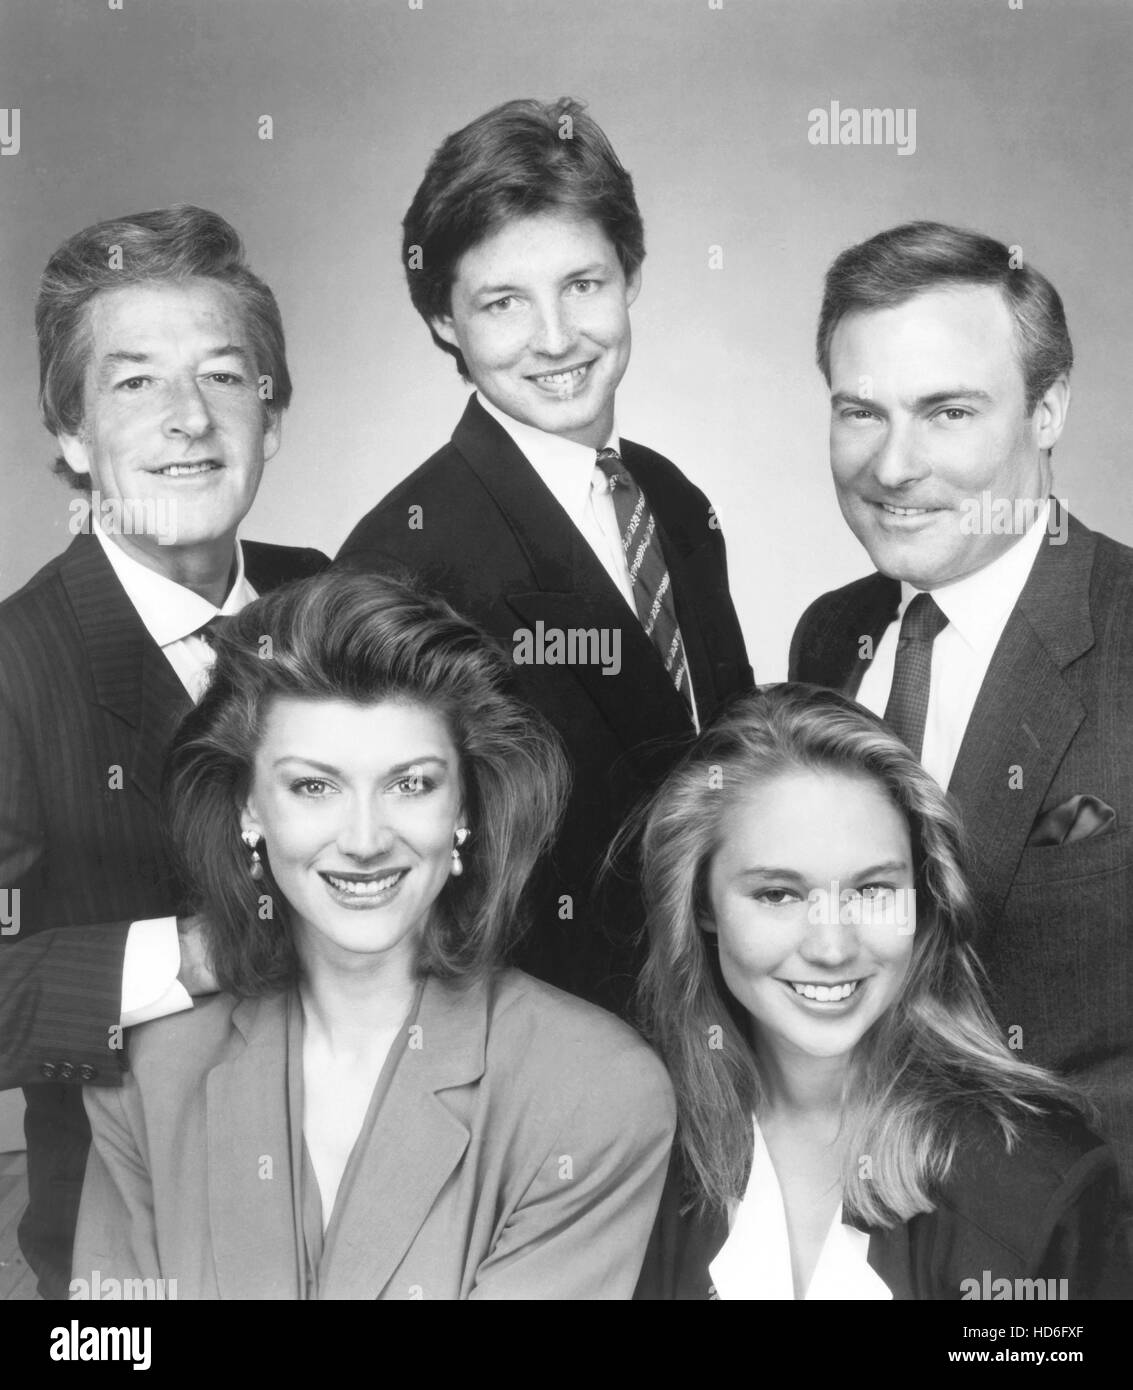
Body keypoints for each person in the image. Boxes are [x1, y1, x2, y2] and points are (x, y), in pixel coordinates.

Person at [72, 570, 676, 1300]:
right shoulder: (149, 1067)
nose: (364, 840)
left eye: (410, 784)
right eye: (313, 787)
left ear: (465, 808)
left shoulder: (596, 1089)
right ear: (247, 810)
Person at [338, 97, 753, 1018]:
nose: (557, 338)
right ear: (444, 320)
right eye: (502, 303)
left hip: (729, 1013)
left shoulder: (668, 498)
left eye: (582, 284)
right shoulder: (400, 557)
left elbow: (720, 747)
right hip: (550, 1048)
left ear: (631, 274)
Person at [0, 204, 328, 1297]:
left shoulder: (332, 599)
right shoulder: (12, 666)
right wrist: (193, 954)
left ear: (270, 415)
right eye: (136, 382)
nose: (191, 419)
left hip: (363, 1216)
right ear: (72, 433)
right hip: (134, 1253)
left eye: (227, 377)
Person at [788, 221, 1133, 1199]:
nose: (892, 466)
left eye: (945, 413)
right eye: (860, 412)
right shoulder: (831, 636)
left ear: (1047, 407)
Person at [633, 684, 1127, 1300]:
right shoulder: (636, 1146)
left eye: (872, 891)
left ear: (924, 898)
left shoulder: (1039, 1180)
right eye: (778, 894)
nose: (833, 947)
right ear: (701, 904)